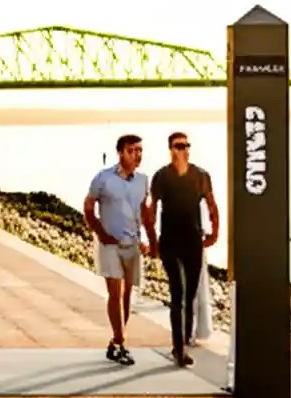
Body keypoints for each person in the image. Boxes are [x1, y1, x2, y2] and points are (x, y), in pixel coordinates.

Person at [143, 131, 219, 367]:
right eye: (178, 146)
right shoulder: (162, 176)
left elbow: (211, 204)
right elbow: (150, 208)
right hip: (170, 243)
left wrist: (215, 233)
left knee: (191, 294)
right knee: (178, 293)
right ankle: (179, 348)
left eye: (186, 146)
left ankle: (184, 339)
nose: (183, 150)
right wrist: (152, 240)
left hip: (193, 242)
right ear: (170, 149)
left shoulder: (200, 176)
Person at [84, 134, 154, 367]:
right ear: (120, 153)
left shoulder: (143, 180)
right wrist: (101, 234)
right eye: (132, 150)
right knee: (115, 292)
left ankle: (114, 342)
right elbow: (88, 207)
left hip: (132, 244)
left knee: (126, 296)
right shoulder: (103, 178)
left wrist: (148, 240)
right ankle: (122, 344)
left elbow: (143, 212)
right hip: (110, 245)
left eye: (140, 150)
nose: (137, 155)